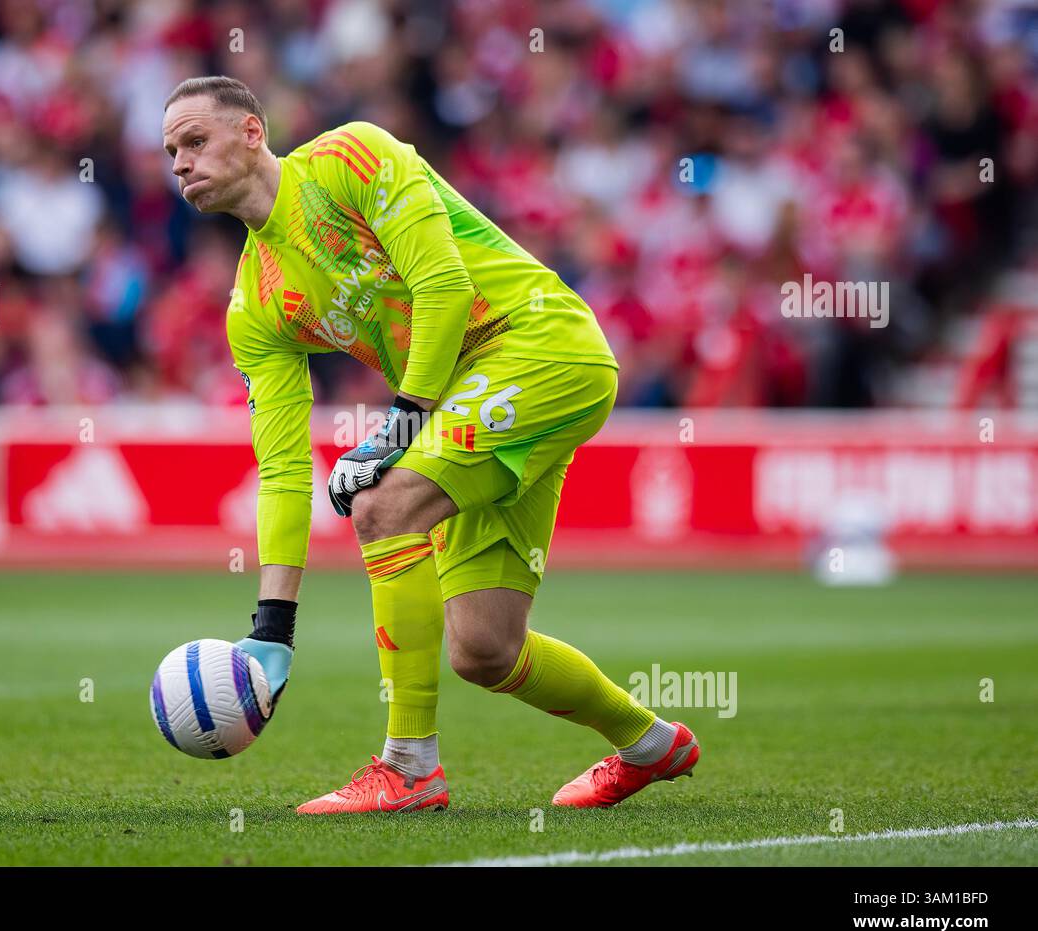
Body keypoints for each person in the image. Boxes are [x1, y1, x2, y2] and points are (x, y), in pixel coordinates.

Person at [162, 75, 699, 813]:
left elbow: (442, 287)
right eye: (170, 153)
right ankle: (650, 744)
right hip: (467, 404)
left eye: (195, 140)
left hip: (541, 347)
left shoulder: (351, 157)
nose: (181, 163)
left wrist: (401, 424)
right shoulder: (255, 305)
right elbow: (283, 469)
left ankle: (409, 770)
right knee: (485, 650)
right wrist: (270, 629)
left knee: (384, 503)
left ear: (252, 132)